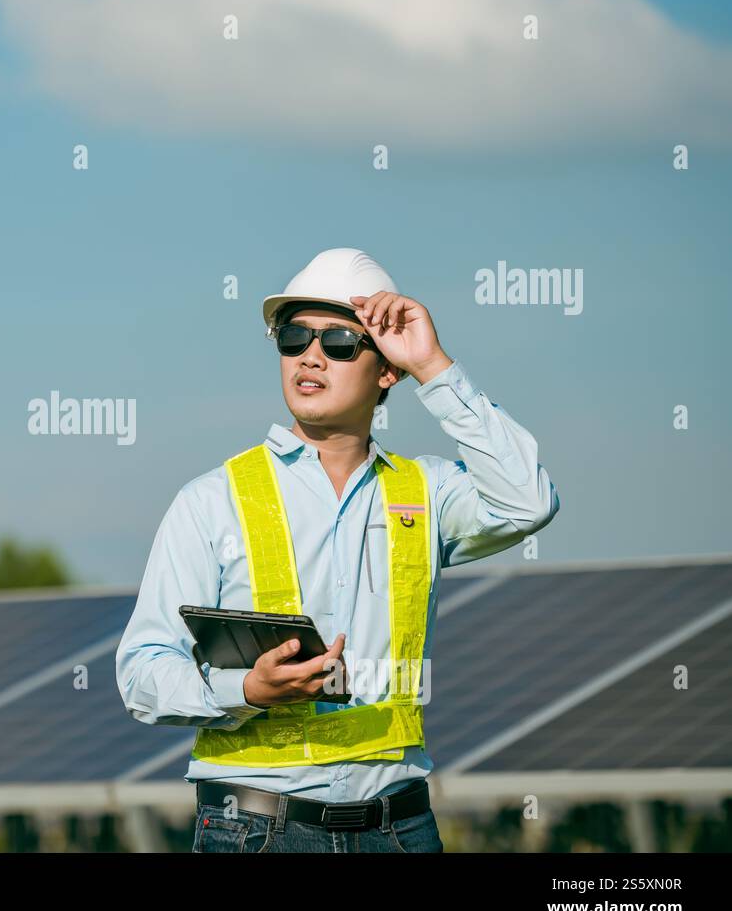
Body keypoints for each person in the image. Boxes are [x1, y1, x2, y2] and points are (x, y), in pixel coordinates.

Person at [115, 248, 560, 852]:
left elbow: (528, 500)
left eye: (340, 342)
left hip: (399, 829)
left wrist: (434, 366)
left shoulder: (426, 491)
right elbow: (141, 673)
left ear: (387, 370)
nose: (311, 356)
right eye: (294, 337)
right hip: (254, 830)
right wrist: (245, 690)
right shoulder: (209, 500)